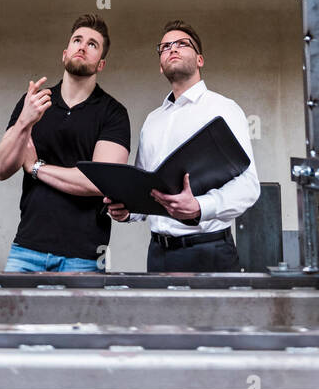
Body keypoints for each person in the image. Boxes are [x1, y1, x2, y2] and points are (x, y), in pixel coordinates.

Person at [106, 21, 259, 272]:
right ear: (160, 65)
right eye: (165, 47)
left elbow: (248, 186)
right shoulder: (153, 120)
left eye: (181, 44)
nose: (172, 49)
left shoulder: (223, 109)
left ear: (200, 59)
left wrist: (200, 207)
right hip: (158, 254)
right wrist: (127, 210)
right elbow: (145, 187)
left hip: (209, 252)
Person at [0, 15, 130, 272]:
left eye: (92, 44)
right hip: (27, 248)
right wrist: (24, 122)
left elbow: (99, 182)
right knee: (12, 314)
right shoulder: (33, 103)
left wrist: (36, 167)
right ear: (65, 53)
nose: (82, 46)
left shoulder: (113, 114)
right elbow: (1, 168)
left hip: (84, 256)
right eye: (77, 40)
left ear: (101, 64)